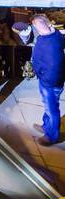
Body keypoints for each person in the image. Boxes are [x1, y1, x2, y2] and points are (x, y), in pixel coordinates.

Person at [31, 15, 65, 146]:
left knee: (52, 109)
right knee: (47, 105)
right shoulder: (52, 35)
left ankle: (51, 136)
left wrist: (44, 78)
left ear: (47, 24)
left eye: (38, 26)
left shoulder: (52, 44)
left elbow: (53, 69)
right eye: (35, 26)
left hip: (50, 83)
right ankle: (46, 126)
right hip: (46, 80)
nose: (37, 28)